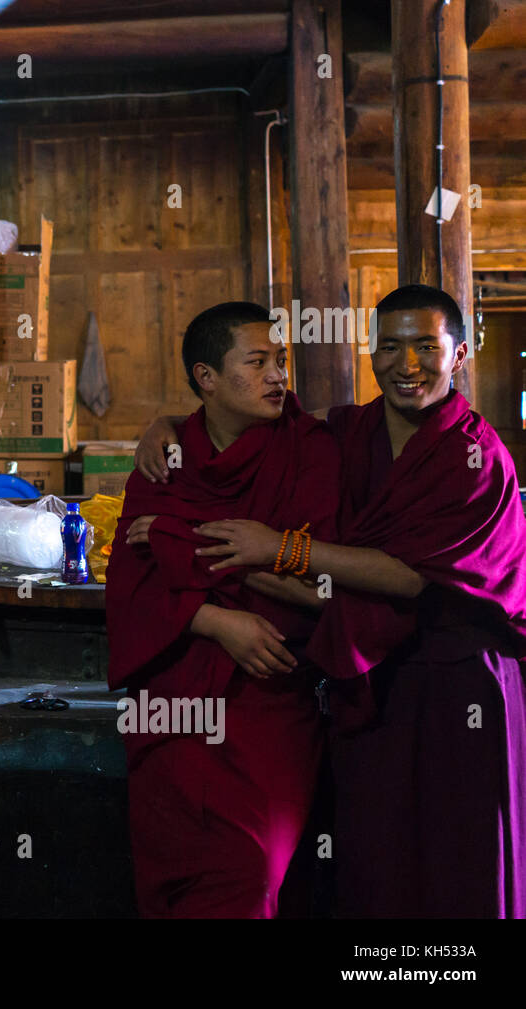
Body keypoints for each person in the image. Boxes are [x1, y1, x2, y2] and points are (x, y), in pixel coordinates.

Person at [136, 285, 526, 918]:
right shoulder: (348, 431)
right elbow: (255, 425)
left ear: (460, 355)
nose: (408, 365)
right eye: (391, 347)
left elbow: (407, 577)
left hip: (455, 688)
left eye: (427, 346)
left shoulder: (474, 456)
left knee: (460, 863)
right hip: (369, 684)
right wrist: (169, 425)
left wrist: (279, 549)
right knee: (378, 863)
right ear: (370, 354)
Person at [106, 302, 340, 918]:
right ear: (206, 377)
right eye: (256, 362)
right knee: (177, 874)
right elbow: (129, 578)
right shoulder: (168, 456)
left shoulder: (312, 450)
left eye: (280, 361)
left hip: (268, 696)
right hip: (176, 699)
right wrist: (213, 619)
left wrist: (178, 540)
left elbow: (321, 580)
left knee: (250, 870)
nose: (276, 376)